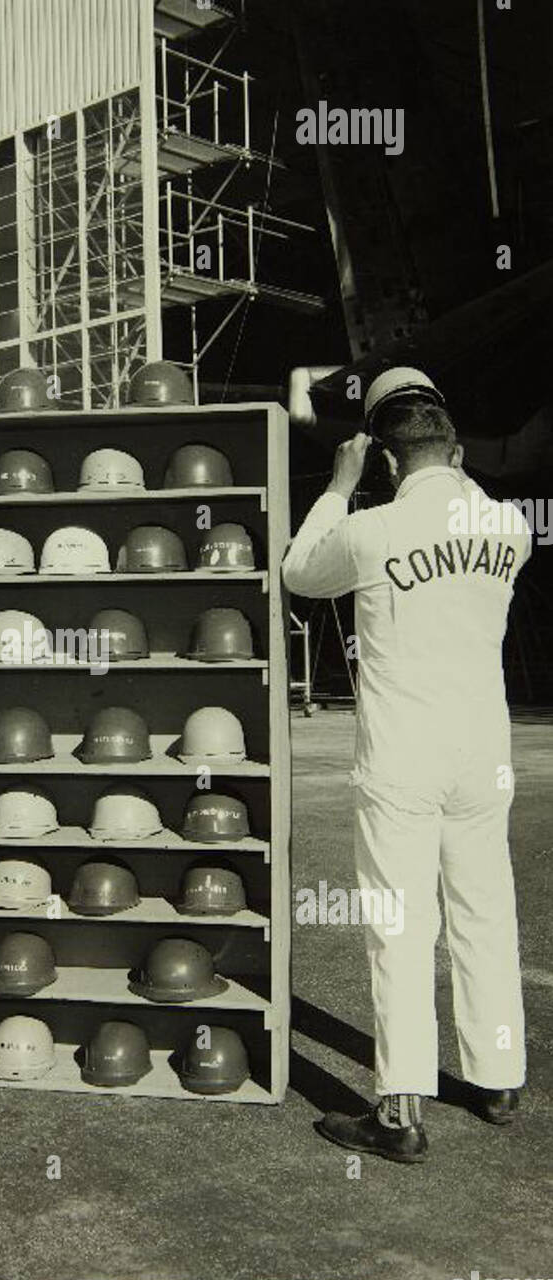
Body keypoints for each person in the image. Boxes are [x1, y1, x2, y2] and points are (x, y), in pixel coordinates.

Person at [282, 369, 532, 1163]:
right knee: (484, 913)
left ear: (385, 461)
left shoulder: (370, 531)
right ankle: (498, 1080)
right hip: (483, 753)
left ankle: (398, 1113)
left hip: (402, 758)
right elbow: (469, 510)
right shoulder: (511, 528)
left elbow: (298, 571)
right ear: (455, 449)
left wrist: (339, 485)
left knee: (400, 928)